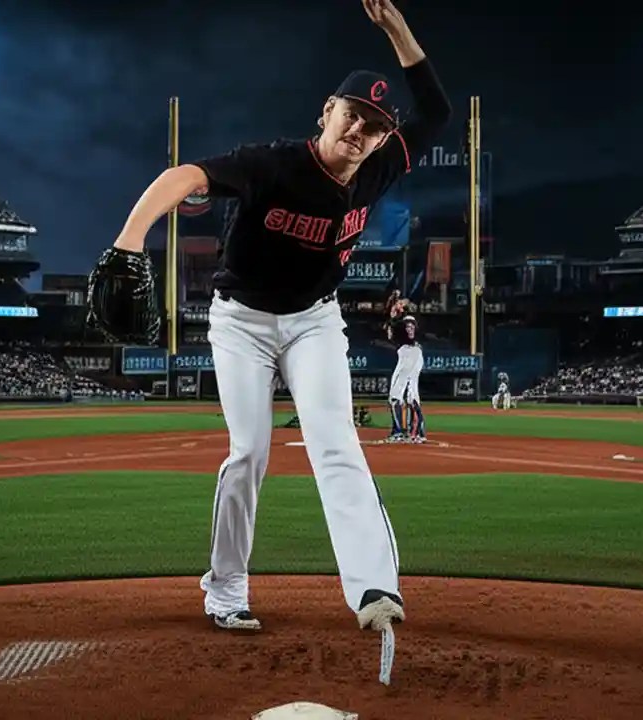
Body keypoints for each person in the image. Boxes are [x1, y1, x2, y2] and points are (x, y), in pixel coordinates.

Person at [102, 0, 451, 636]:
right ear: (327, 111)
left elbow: (438, 112)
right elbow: (185, 174)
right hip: (242, 323)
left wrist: (397, 29)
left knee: (337, 440)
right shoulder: (274, 164)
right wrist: (130, 240)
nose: (361, 132)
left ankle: (374, 587)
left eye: (374, 126)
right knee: (249, 452)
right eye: (353, 115)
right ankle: (226, 586)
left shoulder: (376, 169)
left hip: (315, 321)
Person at [385, 298, 426, 443]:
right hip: (417, 354)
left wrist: (393, 314)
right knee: (412, 395)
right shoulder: (413, 319)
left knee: (395, 396)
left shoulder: (400, 321)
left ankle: (398, 432)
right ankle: (418, 433)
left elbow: (391, 335)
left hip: (407, 354)